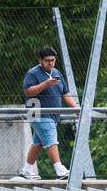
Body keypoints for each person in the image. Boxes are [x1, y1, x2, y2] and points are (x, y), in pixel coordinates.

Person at [20, 46, 78, 180]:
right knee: (51, 139)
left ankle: (27, 169)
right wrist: (46, 84)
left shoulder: (57, 73)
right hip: (37, 113)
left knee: (38, 142)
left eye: (53, 60)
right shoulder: (33, 73)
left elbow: (65, 93)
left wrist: (76, 109)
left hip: (52, 114)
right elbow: (28, 91)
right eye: (47, 60)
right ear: (40, 60)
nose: (50, 63)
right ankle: (60, 170)